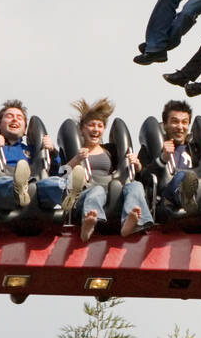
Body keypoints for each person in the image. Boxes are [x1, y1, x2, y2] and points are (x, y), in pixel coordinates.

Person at [0, 99, 78, 215]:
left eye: (19, 118)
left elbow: (55, 171)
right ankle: (17, 188)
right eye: (9, 116)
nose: (14, 120)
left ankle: (69, 193)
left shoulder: (30, 151)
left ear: (24, 130)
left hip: (31, 190)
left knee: (51, 183)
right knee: (3, 183)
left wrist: (53, 152)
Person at [65, 97, 152, 241]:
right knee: (97, 190)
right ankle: (89, 223)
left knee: (136, 185)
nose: (95, 129)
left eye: (99, 126)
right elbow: (62, 174)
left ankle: (131, 222)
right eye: (91, 125)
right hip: (86, 194)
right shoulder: (77, 151)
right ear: (82, 128)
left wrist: (136, 164)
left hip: (111, 193)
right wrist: (77, 159)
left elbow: (129, 173)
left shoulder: (110, 150)